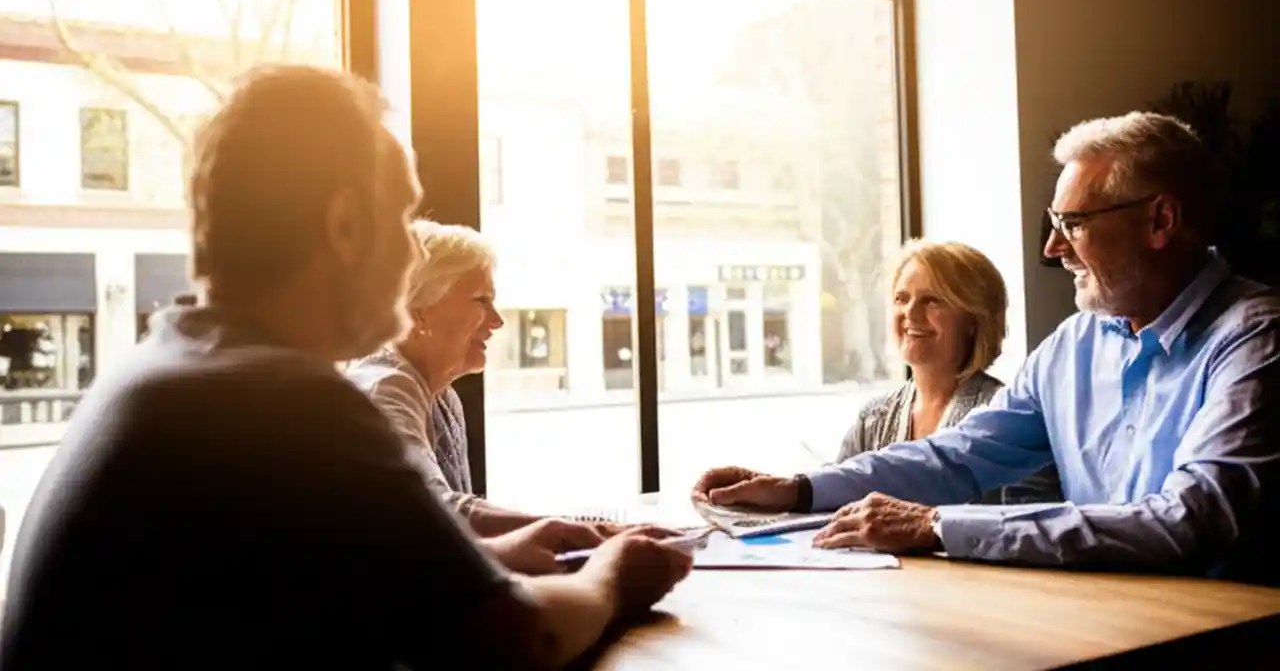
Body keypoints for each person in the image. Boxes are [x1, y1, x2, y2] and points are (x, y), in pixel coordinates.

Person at [0, 65, 692, 669]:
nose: (411, 252)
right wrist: (613, 575)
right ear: (346, 226)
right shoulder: (284, 401)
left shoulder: (172, 370)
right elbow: (518, 640)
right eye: (402, 217)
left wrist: (501, 552)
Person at [693, 112, 1279, 584]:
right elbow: (959, 455)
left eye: (1072, 223)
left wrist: (937, 526)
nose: (1053, 248)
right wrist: (798, 489)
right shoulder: (1074, 344)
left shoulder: (1256, 337)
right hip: (1100, 619)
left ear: (1161, 221)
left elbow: (1189, 522)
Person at [346, 220, 617, 574]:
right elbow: (436, 511)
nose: (497, 321)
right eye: (482, 300)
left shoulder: (441, 396)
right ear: (420, 311)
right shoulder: (387, 386)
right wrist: (579, 533)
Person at [835, 240, 1061, 505]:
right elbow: (831, 506)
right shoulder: (873, 418)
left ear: (973, 321)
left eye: (932, 301)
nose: (910, 312)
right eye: (901, 298)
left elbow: (1027, 525)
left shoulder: (1008, 416)